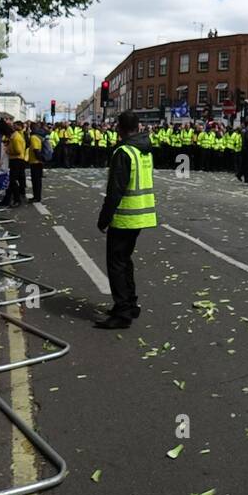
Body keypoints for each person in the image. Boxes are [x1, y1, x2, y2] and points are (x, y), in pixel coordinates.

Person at [95, 111, 156, 330]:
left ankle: (122, 313)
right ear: (138, 127)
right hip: (141, 214)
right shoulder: (144, 149)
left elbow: (115, 190)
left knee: (117, 264)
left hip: (125, 216)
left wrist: (104, 218)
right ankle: (130, 304)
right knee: (125, 261)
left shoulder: (123, 151)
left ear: (120, 128)